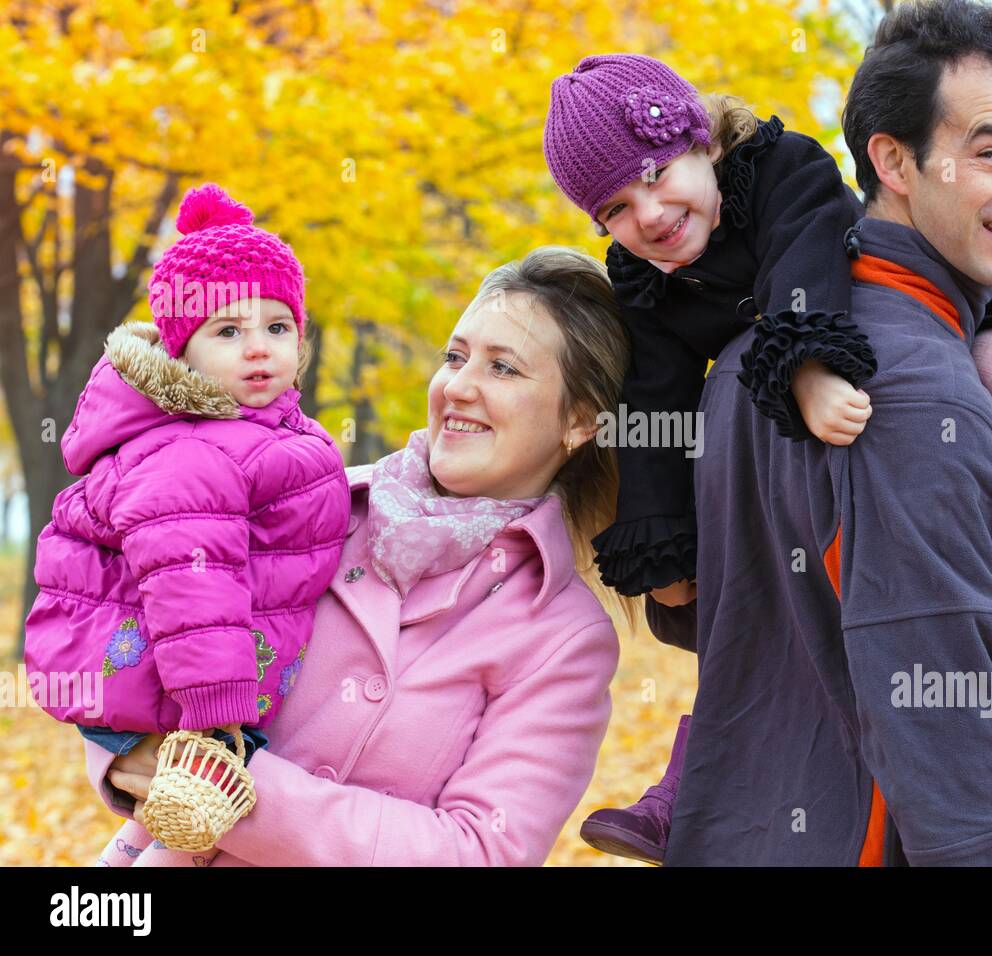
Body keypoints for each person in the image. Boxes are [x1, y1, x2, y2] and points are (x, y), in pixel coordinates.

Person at [542, 45, 992, 863]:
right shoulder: (908, 400)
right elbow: (942, 712)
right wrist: (655, 530)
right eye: (990, 154)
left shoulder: (777, 217)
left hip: (756, 830)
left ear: (704, 144)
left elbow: (804, 270)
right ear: (891, 161)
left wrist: (807, 365)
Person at [85, 247, 630, 866]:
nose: (457, 386)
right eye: (454, 357)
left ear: (581, 421)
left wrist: (231, 791)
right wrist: (118, 745)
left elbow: (480, 853)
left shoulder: (563, 636)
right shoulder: (309, 501)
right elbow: (124, 609)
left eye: (503, 369)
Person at [24, 183, 351, 836]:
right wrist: (216, 710)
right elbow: (191, 578)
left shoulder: (259, 429)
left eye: (277, 327)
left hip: (183, 671)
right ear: (183, 352)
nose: (258, 347)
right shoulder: (194, 446)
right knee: (212, 809)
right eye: (229, 330)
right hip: (154, 673)